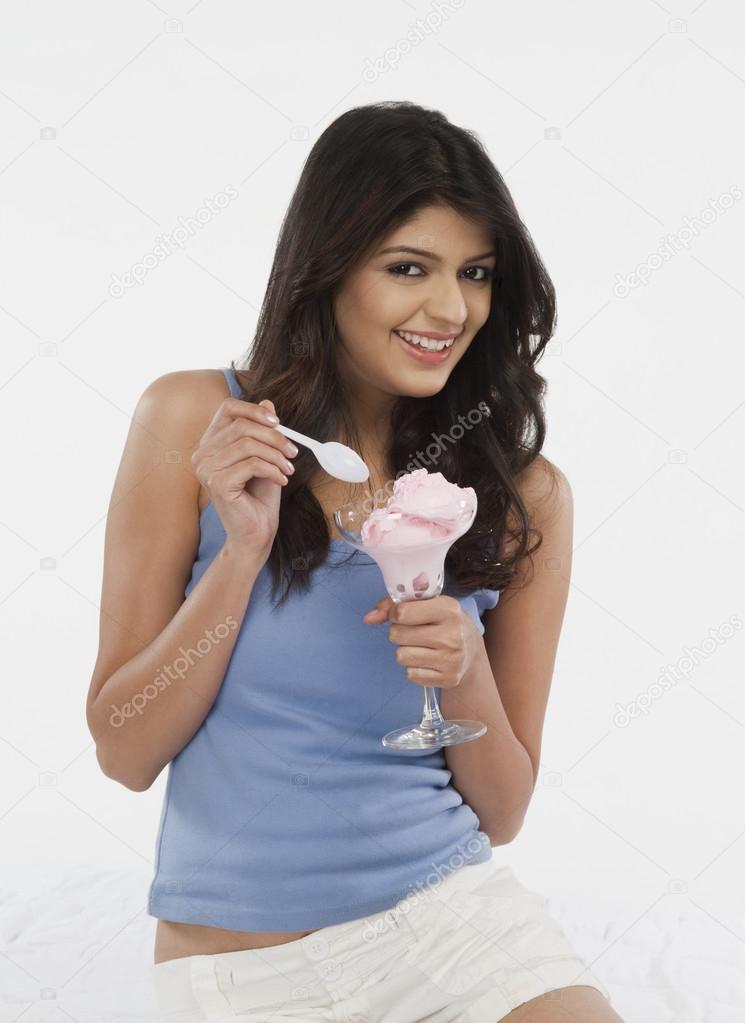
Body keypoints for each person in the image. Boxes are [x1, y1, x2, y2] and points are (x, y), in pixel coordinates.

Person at [86, 102, 625, 1022]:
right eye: (407, 268)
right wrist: (241, 551)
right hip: (235, 972)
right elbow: (124, 749)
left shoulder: (524, 493)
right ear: (326, 271)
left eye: (476, 274)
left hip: (453, 929)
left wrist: (461, 669)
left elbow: (501, 814)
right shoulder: (193, 423)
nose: (450, 310)